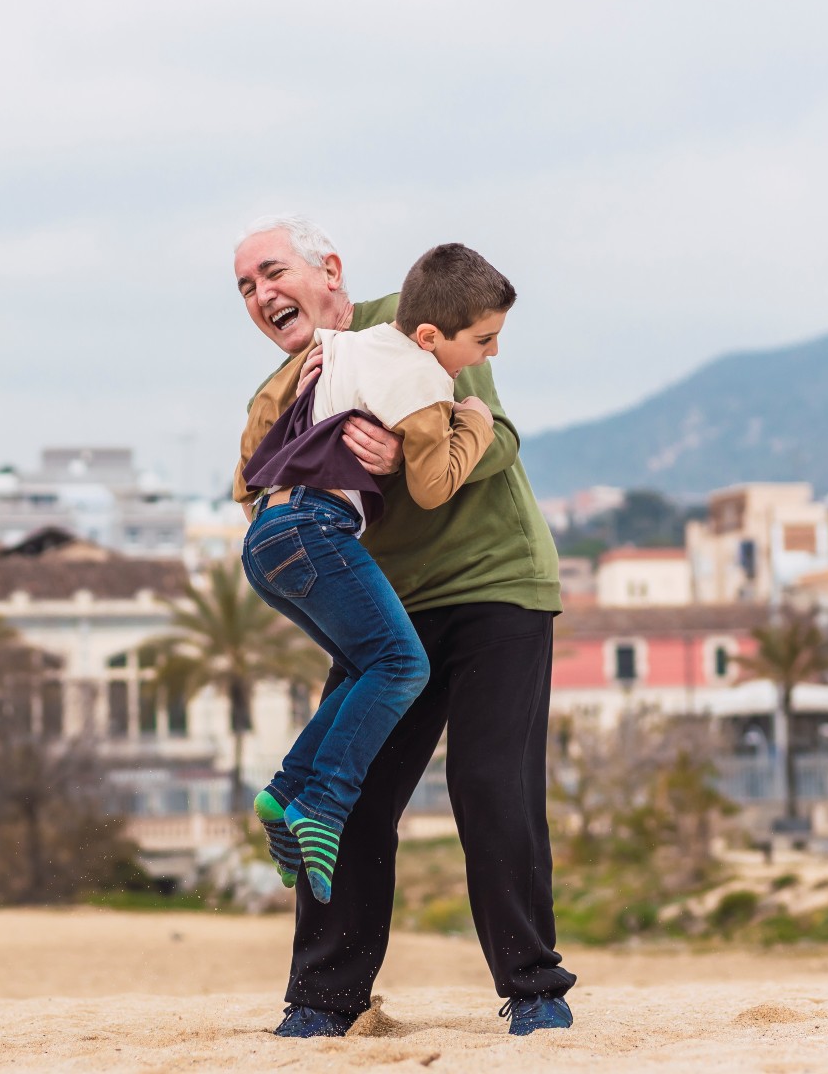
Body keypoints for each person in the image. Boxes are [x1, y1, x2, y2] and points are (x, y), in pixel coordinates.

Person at [229, 215, 576, 1038]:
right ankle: (322, 1002)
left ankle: (533, 989)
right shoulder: (284, 384)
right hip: (391, 610)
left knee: (491, 786)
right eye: (245, 287)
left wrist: (407, 453)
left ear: (329, 271)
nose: (262, 294)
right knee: (351, 789)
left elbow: (500, 436)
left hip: (495, 585)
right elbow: (255, 491)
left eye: (273, 272)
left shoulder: (418, 318)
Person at [235, 243, 507, 905]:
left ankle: (285, 791)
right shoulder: (422, 379)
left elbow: (248, 473)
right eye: (483, 341)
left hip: (267, 536)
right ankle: (321, 805)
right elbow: (435, 486)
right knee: (403, 666)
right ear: (430, 336)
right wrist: (472, 421)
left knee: (366, 666)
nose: (490, 355)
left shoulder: (340, 348)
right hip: (315, 526)